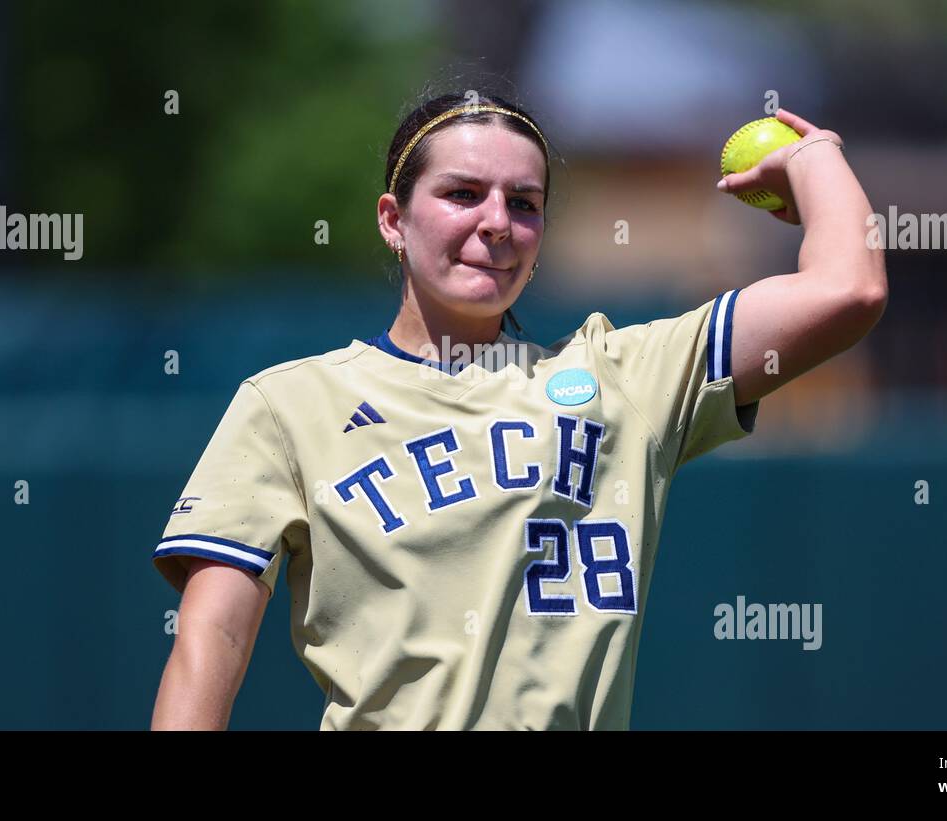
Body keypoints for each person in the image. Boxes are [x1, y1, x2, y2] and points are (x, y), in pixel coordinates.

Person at [149, 90, 886, 730]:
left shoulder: (620, 376)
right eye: (463, 194)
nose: (498, 221)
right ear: (392, 219)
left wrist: (817, 158)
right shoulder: (288, 404)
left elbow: (847, 292)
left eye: (524, 203)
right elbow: (213, 636)